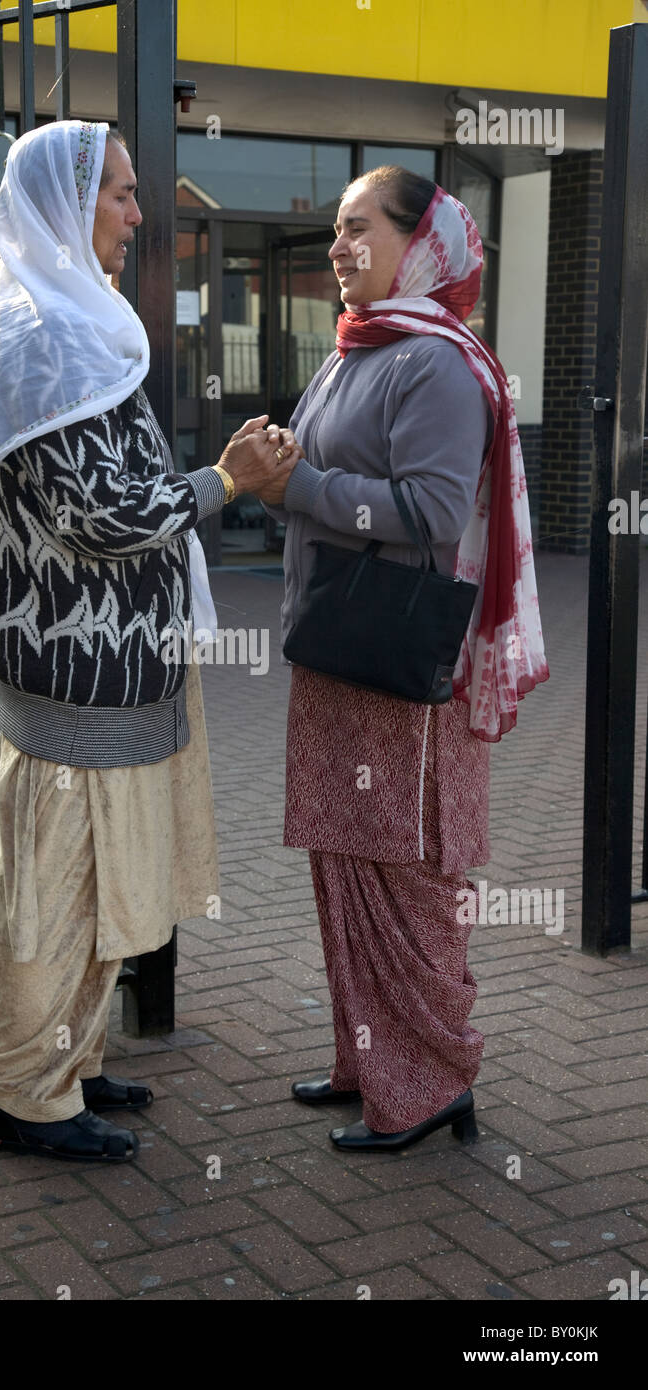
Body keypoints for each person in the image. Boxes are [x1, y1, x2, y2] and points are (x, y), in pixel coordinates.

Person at [0, 120, 300, 1163]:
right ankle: (24, 1098)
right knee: (47, 892)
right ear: (63, 201)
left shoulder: (68, 309)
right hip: (72, 670)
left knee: (93, 884)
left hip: (114, 668)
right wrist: (228, 482)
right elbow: (98, 515)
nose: (139, 211)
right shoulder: (32, 327)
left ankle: (69, 1061)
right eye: (120, 193)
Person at [259, 166, 549, 1154]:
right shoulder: (358, 345)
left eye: (354, 228)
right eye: (332, 229)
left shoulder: (432, 362)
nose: (336, 246)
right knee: (346, 858)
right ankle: (368, 1061)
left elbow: (426, 513)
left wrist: (298, 484)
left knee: (403, 869)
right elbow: (326, 469)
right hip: (341, 650)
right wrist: (279, 465)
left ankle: (427, 1081)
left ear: (417, 244)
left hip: (394, 666)